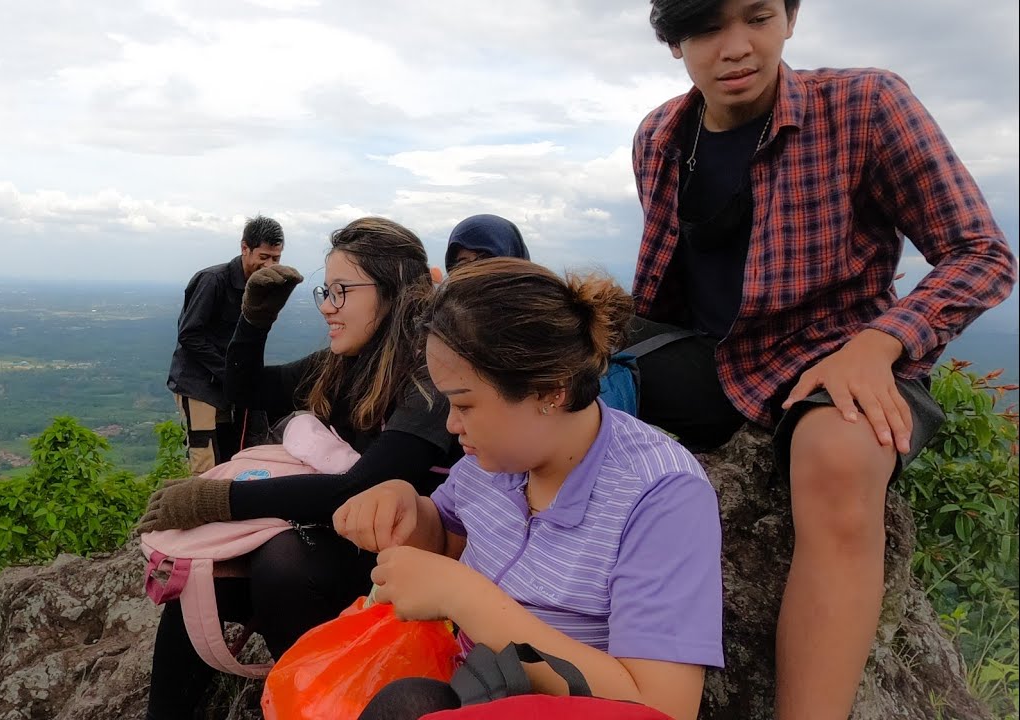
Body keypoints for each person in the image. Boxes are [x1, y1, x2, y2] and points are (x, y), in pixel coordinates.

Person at [630, 1, 1017, 717]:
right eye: (708, 27)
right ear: (675, 40)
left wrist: (879, 345)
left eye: (757, 16)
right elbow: (670, 293)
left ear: (790, 16)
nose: (736, 47)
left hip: (843, 347)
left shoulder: (865, 105)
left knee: (839, 460)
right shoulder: (660, 136)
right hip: (715, 356)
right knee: (534, 379)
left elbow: (981, 252)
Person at [336, 258, 724, 720]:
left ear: (550, 390)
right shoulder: (492, 462)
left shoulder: (660, 495)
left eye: (464, 404)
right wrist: (407, 509)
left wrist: (466, 600)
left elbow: (661, 707)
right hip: (471, 680)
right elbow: (447, 539)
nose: (452, 424)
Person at [139, 216, 463, 719]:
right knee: (205, 580)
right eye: (325, 291)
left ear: (392, 291)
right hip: (345, 546)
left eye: (341, 291)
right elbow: (244, 391)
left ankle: (322, 698)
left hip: (409, 563)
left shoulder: (428, 378)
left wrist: (214, 501)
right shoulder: (346, 364)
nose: (327, 306)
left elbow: (359, 489)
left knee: (282, 562)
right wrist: (254, 321)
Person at [166, 215, 284, 474]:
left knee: (228, 449)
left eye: (276, 258)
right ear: (245, 248)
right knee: (203, 455)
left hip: (225, 383)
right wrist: (230, 371)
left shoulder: (258, 286)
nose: (269, 265)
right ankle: (201, 500)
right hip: (196, 382)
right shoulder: (213, 280)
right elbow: (189, 334)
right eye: (263, 257)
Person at [444, 213, 531, 272]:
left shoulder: (535, 293)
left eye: (486, 259)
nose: (474, 270)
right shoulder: (450, 294)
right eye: (463, 263)